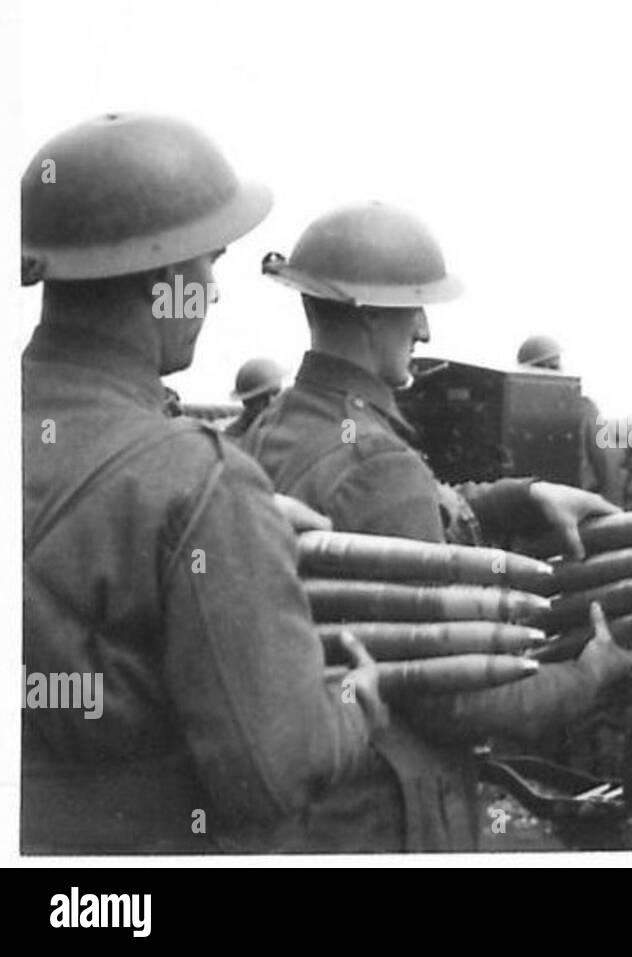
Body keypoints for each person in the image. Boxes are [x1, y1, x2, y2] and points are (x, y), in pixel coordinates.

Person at [20, 113, 388, 853]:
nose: (213, 295)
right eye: (208, 266)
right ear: (165, 283)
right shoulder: (197, 483)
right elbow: (272, 770)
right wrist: (354, 703)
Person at [241, 202, 632, 849]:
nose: (424, 330)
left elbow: (387, 538)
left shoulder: (276, 429)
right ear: (368, 312)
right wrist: (588, 675)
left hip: (311, 788)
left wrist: (525, 496)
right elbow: (452, 698)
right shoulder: (376, 458)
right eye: (412, 307)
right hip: (381, 808)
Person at [517, 334, 609, 495]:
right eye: (541, 367)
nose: (549, 374)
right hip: (536, 498)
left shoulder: (584, 407)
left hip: (579, 496)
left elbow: (603, 459)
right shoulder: (516, 413)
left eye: (553, 367)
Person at [225, 356, 288, 438]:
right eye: (262, 398)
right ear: (246, 402)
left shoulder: (286, 427)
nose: (271, 401)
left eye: (276, 393)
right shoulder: (231, 438)